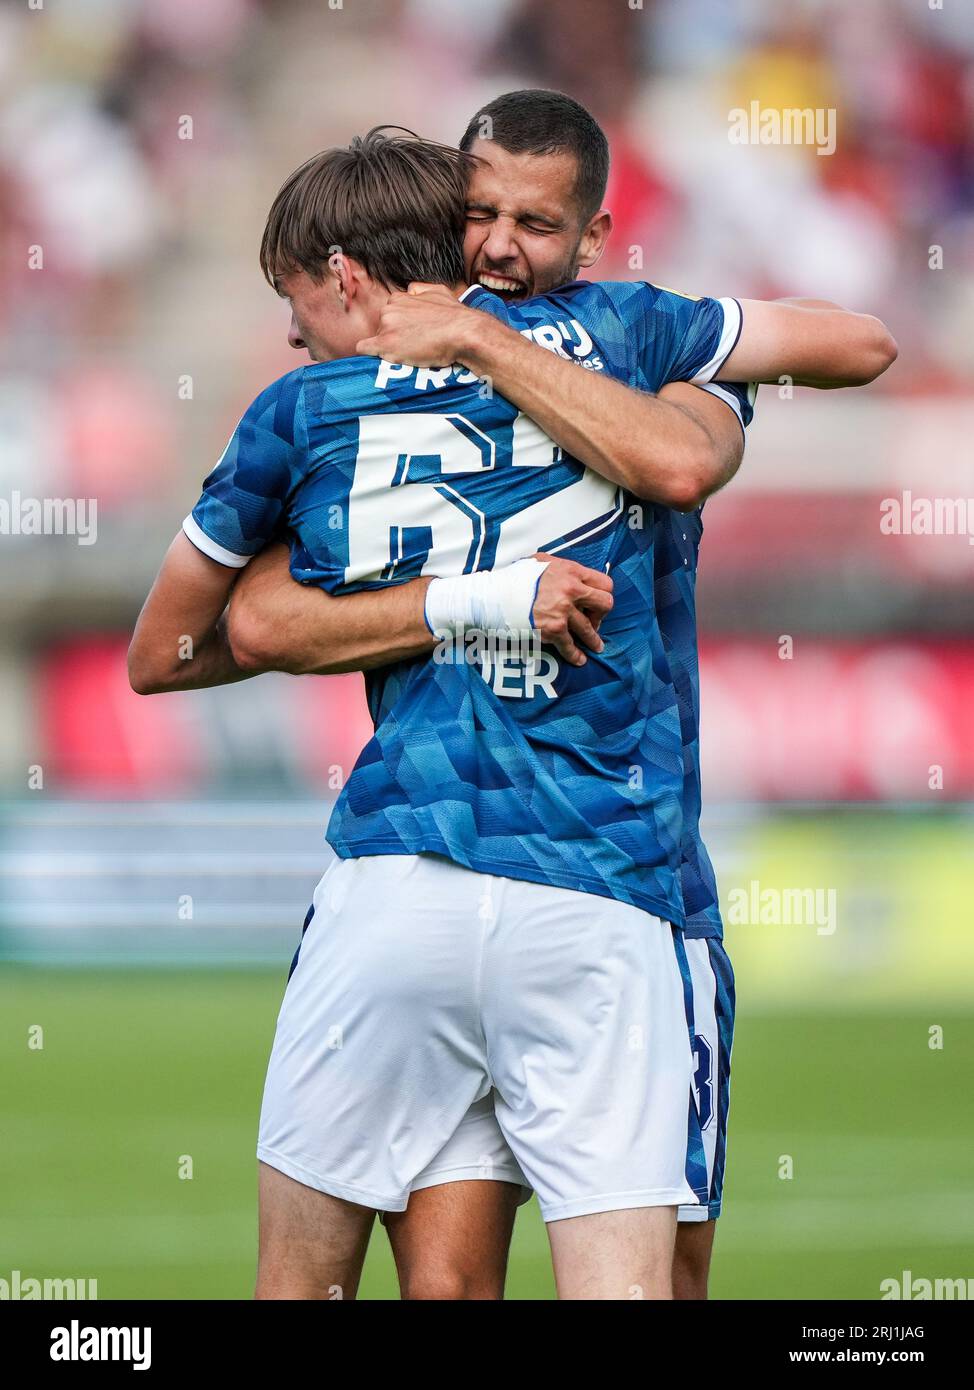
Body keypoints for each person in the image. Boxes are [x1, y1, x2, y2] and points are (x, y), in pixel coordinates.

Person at [129, 105, 895, 1300]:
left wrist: (481, 354)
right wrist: (475, 597)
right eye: (476, 215)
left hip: (407, 880)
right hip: (603, 891)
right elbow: (836, 356)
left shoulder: (322, 403)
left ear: (592, 229)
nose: (494, 245)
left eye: (529, 223)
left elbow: (202, 637)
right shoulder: (638, 337)